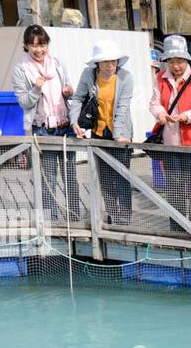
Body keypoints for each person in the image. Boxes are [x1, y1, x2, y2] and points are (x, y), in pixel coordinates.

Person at [12, 24, 78, 221]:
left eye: (42, 44)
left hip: (64, 126)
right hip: (42, 130)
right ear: (26, 46)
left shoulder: (57, 63)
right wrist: (35, 89)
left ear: (47, 44)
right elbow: (23, 101)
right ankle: (52, 220)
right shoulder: (21, 69)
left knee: (70, 175)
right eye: (33, 45)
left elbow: (68, 90)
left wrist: (69, 92)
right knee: (48, 178)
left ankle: (74, 216)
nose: (39, 50)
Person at [150, 34, 191, 233]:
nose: (176, 66)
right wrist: (160, 113)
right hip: (170, 142)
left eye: (180, 61)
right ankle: (176, 228)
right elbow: (154, 102)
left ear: (186, 60)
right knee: (175, 188)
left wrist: (184, 117)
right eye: (172, 61)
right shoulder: (160, 78)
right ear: (166, 61)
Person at [70, 40, 134, 225]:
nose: (110, 66)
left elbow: (122, 107)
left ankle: (125, 217)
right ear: (97, 64)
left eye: (113, 61)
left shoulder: (126, 77)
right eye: (105, 62)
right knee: (105, 177)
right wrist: (76, 122)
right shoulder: (88, 75)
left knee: (122, 176)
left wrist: (120, 136)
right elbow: (78, 98)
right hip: (98, 131)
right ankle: (112, 213)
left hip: (120, 132)